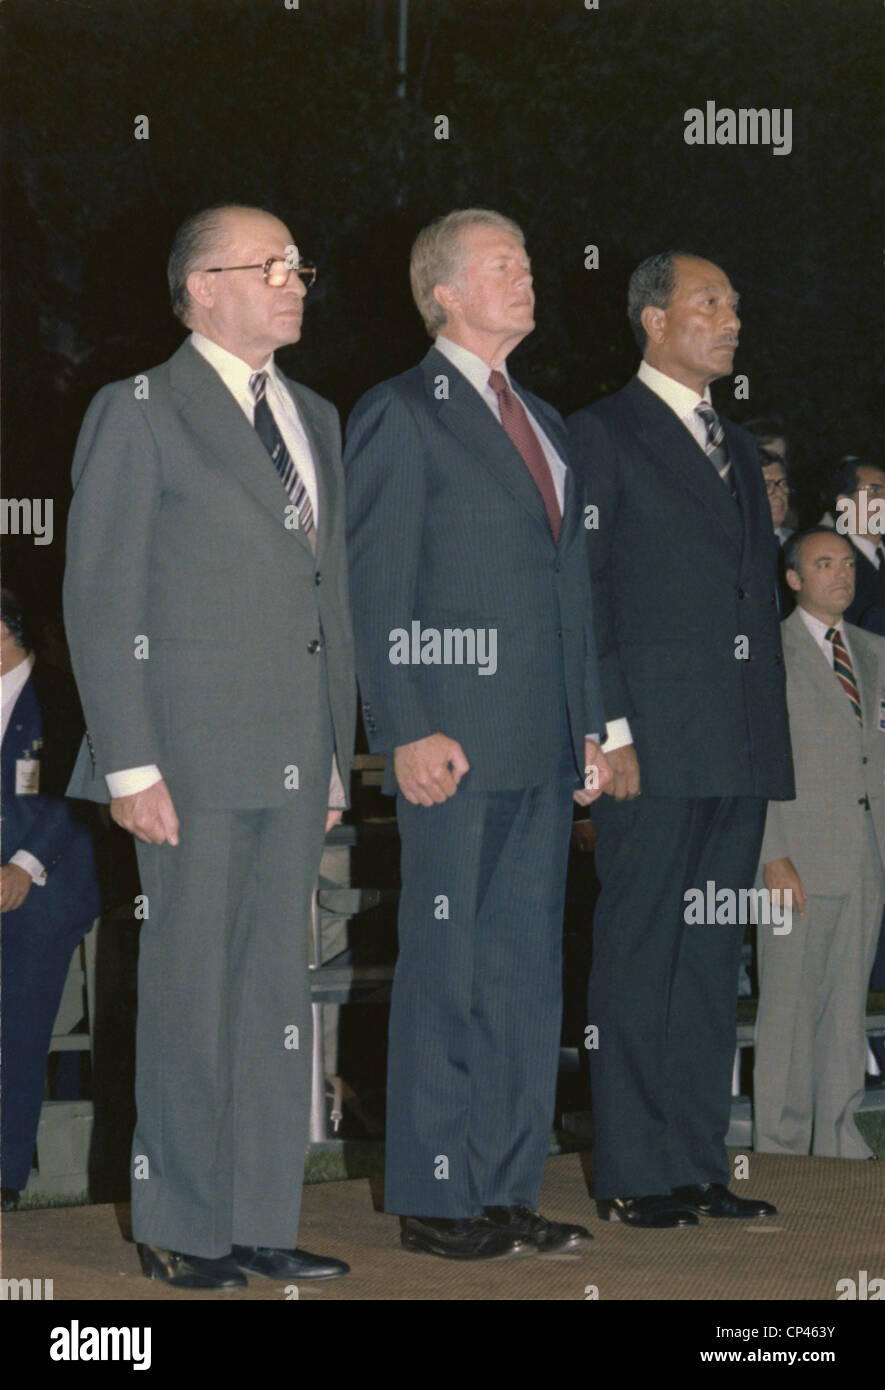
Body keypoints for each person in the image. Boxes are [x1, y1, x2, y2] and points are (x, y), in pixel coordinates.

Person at [63, 204, 356, 1289]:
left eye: (298, 262)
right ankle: (183, 1223)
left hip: (291, 754)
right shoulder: (139, 408)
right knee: (189, 992)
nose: (293, 282)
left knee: (273, 994)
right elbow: (100, 593)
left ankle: (259, 1216)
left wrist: (331, 753)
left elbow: (333, 600)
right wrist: (131, 765)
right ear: (200, 287)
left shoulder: (315, 414)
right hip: (184, 758)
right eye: (268, 266)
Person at [345, 208, 610, 1261]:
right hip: (450, 742)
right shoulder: (399, 412)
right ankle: (433, 1194)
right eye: (503, 264)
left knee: (522, 975)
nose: (528, 278)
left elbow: (570, 593)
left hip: (543, 748)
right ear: (443, 291)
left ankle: (504, 1186)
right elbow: (372, 585)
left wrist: (591, 727)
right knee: (443, 967)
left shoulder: (544, 419)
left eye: (531, 261)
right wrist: (405, 727)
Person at [568, 251, 793, 1228]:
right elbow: (585, 591)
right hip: (649, 744)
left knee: (708, 958)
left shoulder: (737, 443)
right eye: (711, 301)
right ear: (653, 319)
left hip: (737, 743)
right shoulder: (599, 433)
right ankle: (631, 1168)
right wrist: (609, 728)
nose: (733, 317)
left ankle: (699, 1161)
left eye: (737, 302)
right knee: (639, 950)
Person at [754, 528, 885, 1156]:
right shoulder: (768, 653)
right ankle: (778, 1146)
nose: (842, 574)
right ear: (794, 579)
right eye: (824, 563)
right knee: (786, 1011)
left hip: (865, 856)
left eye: (848, 564)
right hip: (795, 858)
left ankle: (837, 1136)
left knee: (844, 1009)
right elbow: (757, 759)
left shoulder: (874, 651)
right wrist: (771, 854)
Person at [1, 589, 102, 1209]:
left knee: (17, 1027)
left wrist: (22, 865)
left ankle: (4, 1175)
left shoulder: (62, 695)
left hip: (44, 883)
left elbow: (77, 793)